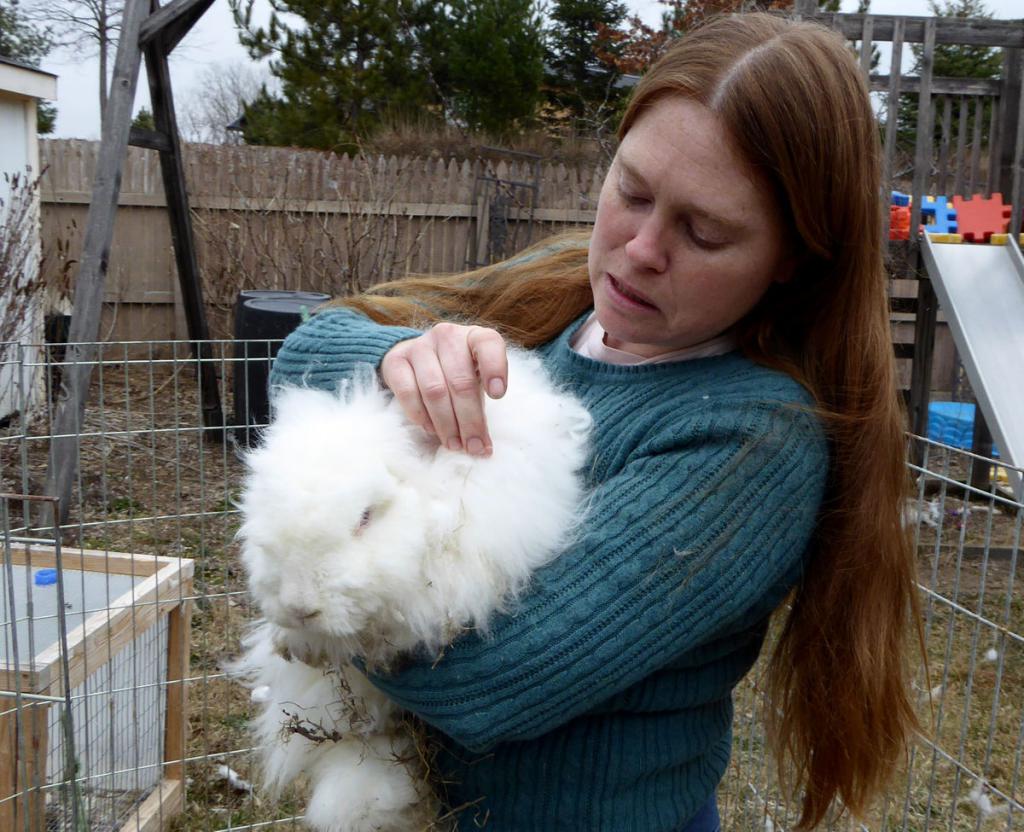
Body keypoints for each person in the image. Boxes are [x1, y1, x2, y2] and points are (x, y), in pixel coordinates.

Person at [267, 12, 919, 831]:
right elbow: (304, 352)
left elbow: (487, 679)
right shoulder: (555, 297)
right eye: (632, 191)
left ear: (792, 257)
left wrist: (308, 592)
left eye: (705, 230)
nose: (641, 248)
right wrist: (400, 360)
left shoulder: (749, 439)